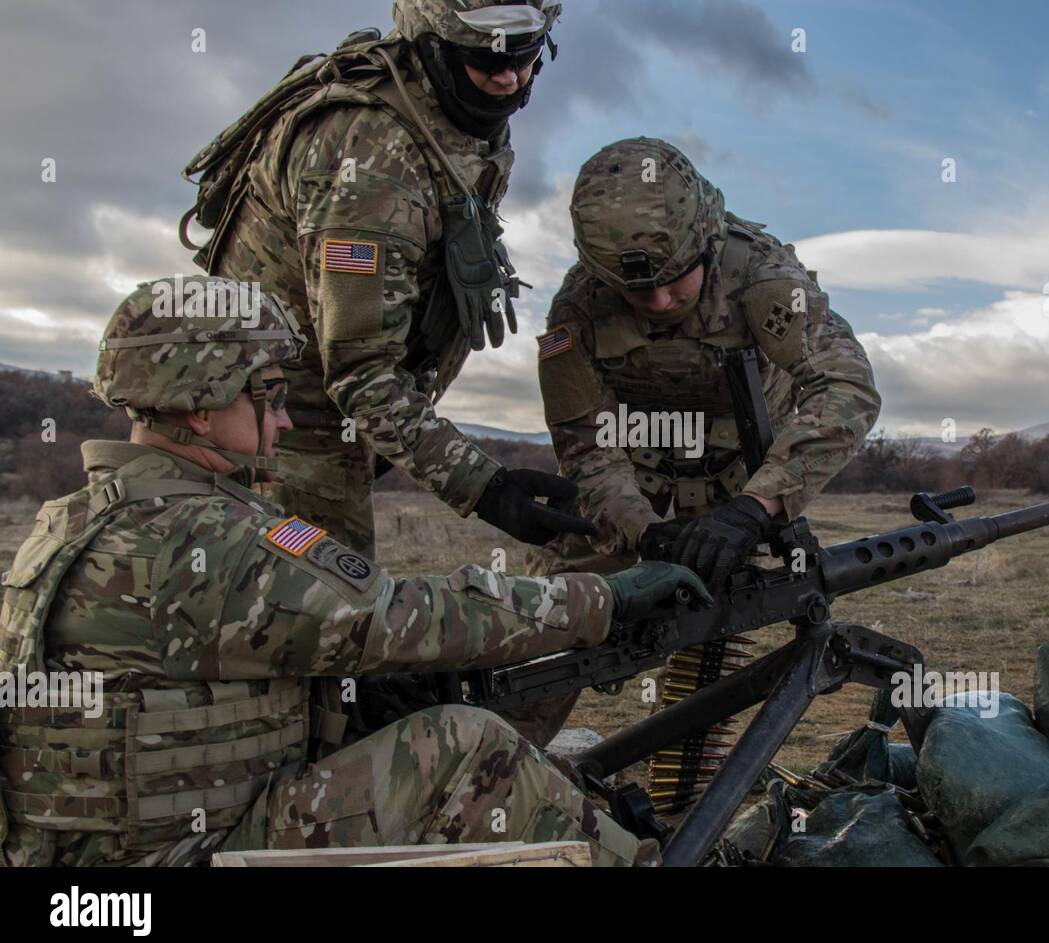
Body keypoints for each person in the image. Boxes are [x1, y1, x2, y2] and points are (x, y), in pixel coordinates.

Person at [0, 277, 707, 867]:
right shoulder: (204, 536)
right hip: (185, 858)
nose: (282, 421)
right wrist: (605, 598)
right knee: (458, 746)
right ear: (200, 400)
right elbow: (407, 616)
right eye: (269, 394)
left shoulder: (72, 519)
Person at [180, 0, 585, 559]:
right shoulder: (371, 161)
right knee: (323, 613)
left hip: (322, 414)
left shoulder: (445, 111)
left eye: (527, 57)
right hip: (279, 425)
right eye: (487, 62)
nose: (510, 78)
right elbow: (359, 372)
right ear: (432, 48)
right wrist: (487, 489)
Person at [528, 136, 882, 589]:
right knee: (565, 608)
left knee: (726, 617)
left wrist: (758, 505)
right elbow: (586, 446)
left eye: (674, 277)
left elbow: (845, 387)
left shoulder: (763, 276)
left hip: (744, 483)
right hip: (628, 481)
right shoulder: (578, 308)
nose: (658, 301)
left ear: (707, 240)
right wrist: (642, 531)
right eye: (634, 290)